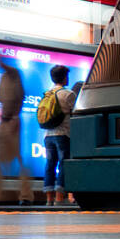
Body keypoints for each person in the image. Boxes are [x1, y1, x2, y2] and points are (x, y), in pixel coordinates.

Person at [0, 57, 32, 205]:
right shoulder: (3, 78)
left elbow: (18, 99)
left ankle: (26, 195)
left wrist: (13, 118)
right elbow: (0, 102)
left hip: (13, 120)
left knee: (18, 158)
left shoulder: (15, 74)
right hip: (4, 121)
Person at [41, 65, 76, 206]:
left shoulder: (47, 93)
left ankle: (49, 199)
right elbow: (76, 112)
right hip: (63, 134)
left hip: (48, 135)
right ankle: (60, 198)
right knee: (63, 165)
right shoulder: (69, 94)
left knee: (50, 164)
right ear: (64, 77)